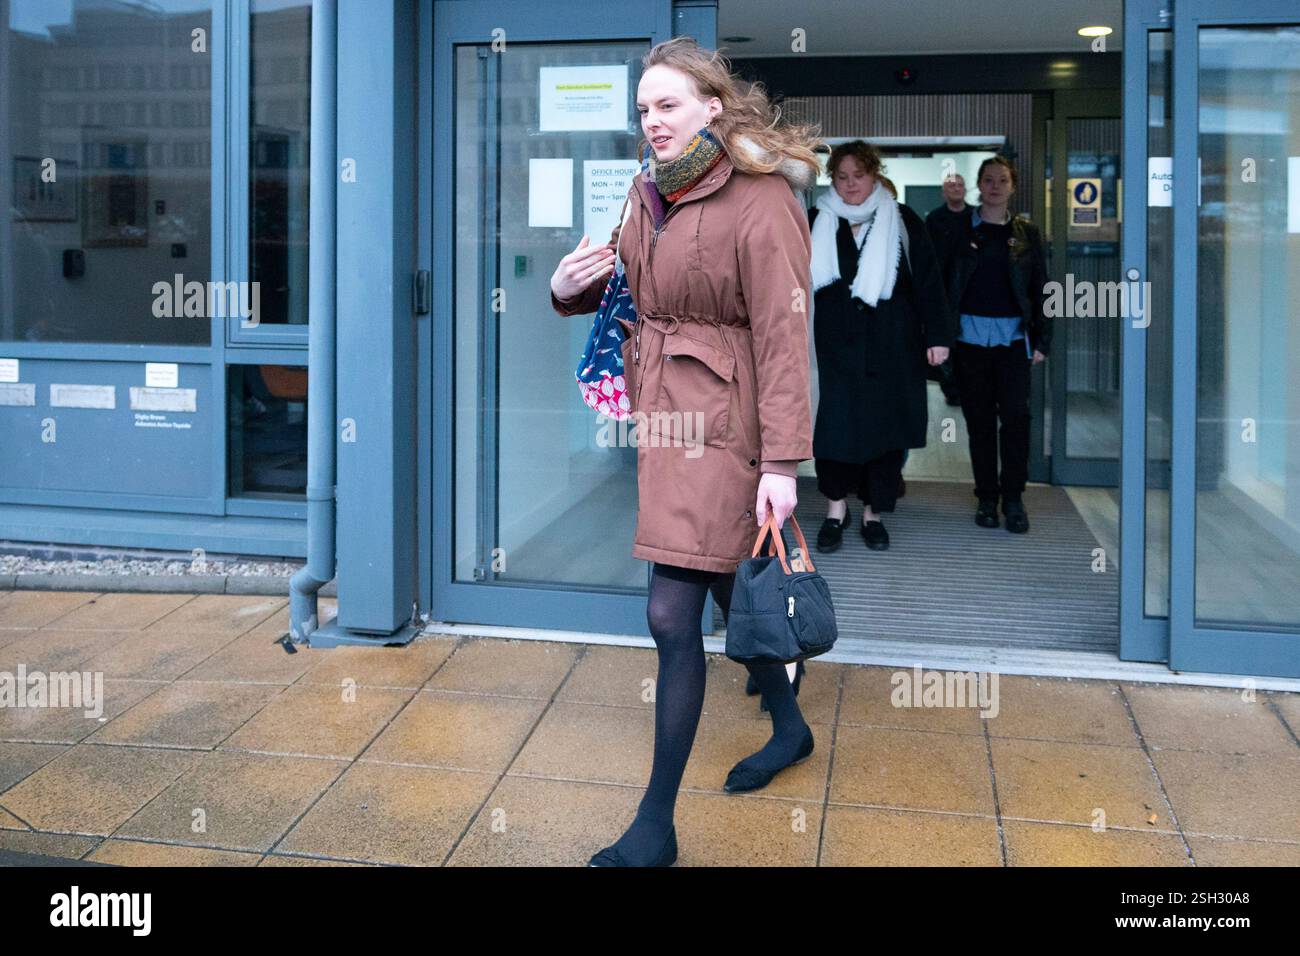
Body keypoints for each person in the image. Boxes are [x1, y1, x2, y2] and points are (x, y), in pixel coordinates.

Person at [549, 36, 820, 867]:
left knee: (671, 610)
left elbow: (784, 336)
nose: (652, 122)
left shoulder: (763, 198)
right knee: (718, 593)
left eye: (667, 105)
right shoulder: (645, 190)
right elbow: (625, 278)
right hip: (665, 421)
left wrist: (782, 464)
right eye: (642, 110)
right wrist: (568, 289)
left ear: (712, 105)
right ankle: (791, 725)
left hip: (730, 431)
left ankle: (654, 827)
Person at [808, 141, 954, 553]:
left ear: (874, 174)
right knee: (831, 431)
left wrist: (938, 338)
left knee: (885, 434)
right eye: (842, 176)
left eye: (859, 175)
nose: (851, 184)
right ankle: (836, 510)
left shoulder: (903, 219)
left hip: (893, 349)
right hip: (831, 350)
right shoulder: (816, 219)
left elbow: (929, 282)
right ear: (831, 178)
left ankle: (873, 513)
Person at [939, 155, 1051, 533]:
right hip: (970, 343)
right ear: (979, 185)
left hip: (1014, 343)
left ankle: (1014, 499)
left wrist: (1043, 340)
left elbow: (1042, 288)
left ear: (1013, 186)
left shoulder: (1027, 233)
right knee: (980, 424)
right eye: (988, 180)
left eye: (1003, 180)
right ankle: (987, 498)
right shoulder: (962, 232)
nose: (995, 186)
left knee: (1016, 422)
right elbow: (946, 287)